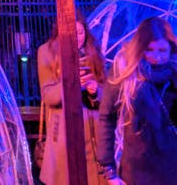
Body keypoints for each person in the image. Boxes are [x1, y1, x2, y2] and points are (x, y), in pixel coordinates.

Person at [96, 16, 177, 185]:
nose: (156, 57)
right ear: (140, 49)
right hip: (137, 169)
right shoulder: (126, 72)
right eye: (149, 50)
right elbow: (106, 117)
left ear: (171, 48)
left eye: (162, 50)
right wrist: (109, 170)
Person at [37, 13, 107, 185]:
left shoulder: (92, 50)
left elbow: (106, 95)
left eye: (81, 32)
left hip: (94, 131)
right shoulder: (47, 51)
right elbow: (48, 97)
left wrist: (94, 90)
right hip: (64, 133)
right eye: (72, 32)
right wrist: (71, 82)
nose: (77, 37)